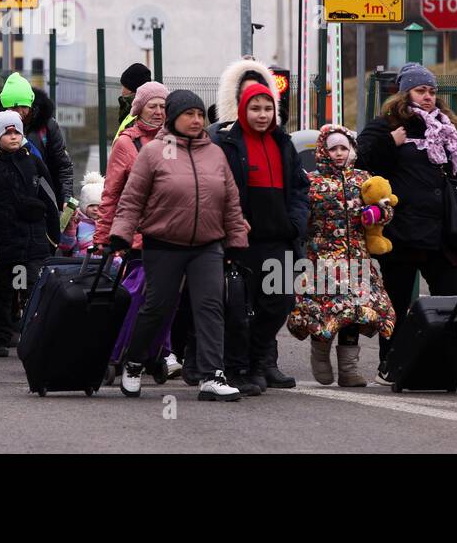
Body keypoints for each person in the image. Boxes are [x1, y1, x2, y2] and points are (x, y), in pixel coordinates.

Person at [355, 62, 457, 383]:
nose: (428, 97)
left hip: (440, 232)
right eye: (421, 90)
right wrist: (389, 143)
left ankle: (445, 360)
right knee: (396, 300)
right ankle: (389, 363)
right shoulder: (386, 127)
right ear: (404, 93)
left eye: (432, 91)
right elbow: (360, 161)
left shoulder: (444, 129)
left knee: (449, 296)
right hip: (402, 231)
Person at [110, 90, 249, 402]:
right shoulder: (155, 152)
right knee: (157, 308)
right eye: (189, 114)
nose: (197, 120)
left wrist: (237, 239)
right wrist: (120, 234)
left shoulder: (214, 153)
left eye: (200, 114)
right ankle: (134, 364)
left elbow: (231, 203)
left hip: (207, 245)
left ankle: (212, 376)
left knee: (211, 306)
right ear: (173, 117)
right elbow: (132, 199)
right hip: (163, 244)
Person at [208, 77, 311, 393]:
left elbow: (299, 188)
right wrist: (234, 221)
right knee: (239, 309)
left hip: (279, 241)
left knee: (277, 305)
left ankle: (258, 362)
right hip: (242, 242)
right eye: (255, 108)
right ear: (243, 109)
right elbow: (218, 189)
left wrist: (296, 223)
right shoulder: (227, 144)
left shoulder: (283, 144)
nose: (262, 114)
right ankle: (238, 369)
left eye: (268, 108)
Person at [286, 125, 396, 386]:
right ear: (323, 151)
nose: (338, 154)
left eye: (343, 148)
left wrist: (379, 214)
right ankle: (320, 355)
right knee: (322, 314)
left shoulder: (364, 179)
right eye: (333, 148)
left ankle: (349, 368)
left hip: (357, 261)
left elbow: (386, 205)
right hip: (322, 262)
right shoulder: (312, 182)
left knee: (355, 313)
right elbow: (302, 215)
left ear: (352, 151)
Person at [0, 110, 61, 357]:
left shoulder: (33, 162)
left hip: (33, 241)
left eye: (17, 132)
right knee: (3, 292)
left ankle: (32, 336)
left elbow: (51, 199)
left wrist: (53, 238)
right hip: (1, 243)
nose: (13, 137)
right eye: (7, 133)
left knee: (33, 289)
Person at [0, 72, 75, 204]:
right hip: (2, 205)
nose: (19, 112)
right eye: (14, 107)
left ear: (31, 105)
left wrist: (66, 198)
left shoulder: (48, 126)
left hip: (41, 202)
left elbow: (63, 166)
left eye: (24, 107)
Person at [96, 81, 169, 252]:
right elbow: (111, 193)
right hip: (139, 239)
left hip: (172, 236)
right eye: (152, 106)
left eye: (163, 106)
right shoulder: (125, 143)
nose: (158, 112)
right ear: (139, 109)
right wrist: (103, 235)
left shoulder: (174, 140)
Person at [116, 62, 153, 131]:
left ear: (130, 89)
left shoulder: (133, 114)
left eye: (123, 86)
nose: (122, 90)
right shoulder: (148, 109)